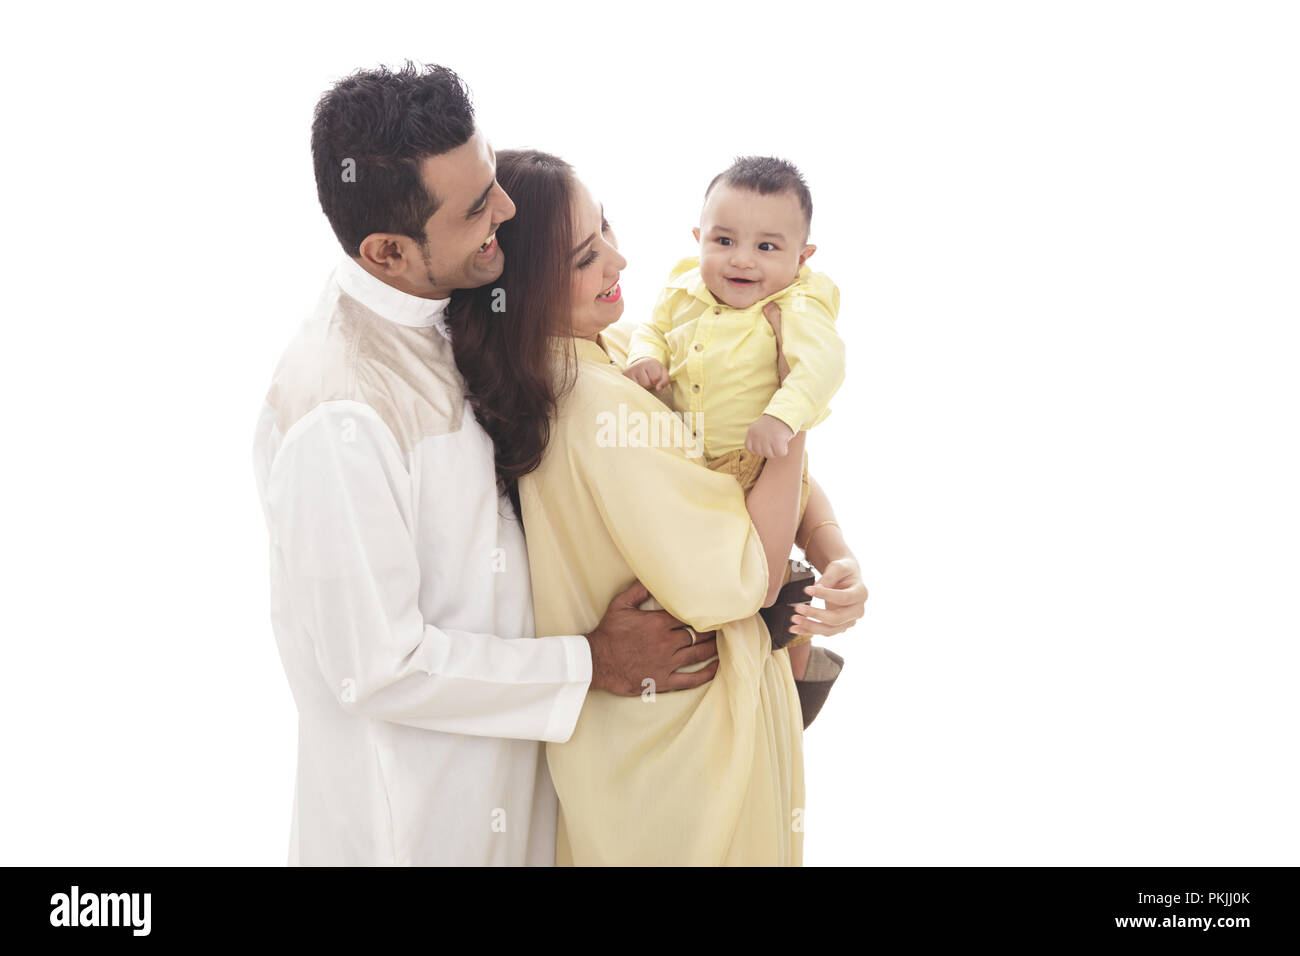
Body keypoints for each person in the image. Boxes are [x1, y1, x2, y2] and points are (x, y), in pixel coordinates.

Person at [251, 63, 721, 866]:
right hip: (414, 835)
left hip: (524, 811)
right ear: (388, 251)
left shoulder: (460, 311)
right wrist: (593, 663)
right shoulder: (339, 415)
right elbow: (380, 667)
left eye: (492, 178)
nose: (504, 209)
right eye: (476, 208)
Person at [446, 149, 869, 865]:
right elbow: (751, 579)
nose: (619, 260)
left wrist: (835, 553)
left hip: (664, 750)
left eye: (604, 229)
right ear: (523, 283)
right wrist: (792, 406)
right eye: (585, 257)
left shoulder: (611, 353)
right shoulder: (598, 405)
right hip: (685, 768)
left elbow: (733, 458)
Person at [622, 155, 847, 680]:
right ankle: (786, 644)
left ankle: (798, 658)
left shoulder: (798, 305)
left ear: (801, 256)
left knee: (758, 579)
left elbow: (821, 367)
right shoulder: (683, 291)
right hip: (698, 469)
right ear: (698, 236)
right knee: (723, 579)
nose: (742, 261)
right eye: (723, 242)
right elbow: (651, 329)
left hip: (756, 462)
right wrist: (642, 358)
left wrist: (782, 418)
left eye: (767, 247)